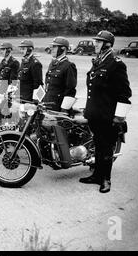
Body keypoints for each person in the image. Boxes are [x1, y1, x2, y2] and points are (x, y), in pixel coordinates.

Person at [80, 31, 132, 193]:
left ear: (107, 44)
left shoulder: (116, 64)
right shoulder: (98, 61)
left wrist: (118, 117)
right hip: (95, 114)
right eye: (95, 41)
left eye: (99, 42)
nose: (95, 44)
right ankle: (96, 175)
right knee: (98, 145)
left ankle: (105, 179)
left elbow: (125, 93)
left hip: (108, 115)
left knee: (106, 148)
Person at [43, 36, 77, 112]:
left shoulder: (69, 66)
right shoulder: (52, 63)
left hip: (58, 106)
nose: (51, 49)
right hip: (47, 103)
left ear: (63, 49)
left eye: (54, 47)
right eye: (52, 46)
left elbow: (70, 90)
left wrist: (64, 109)